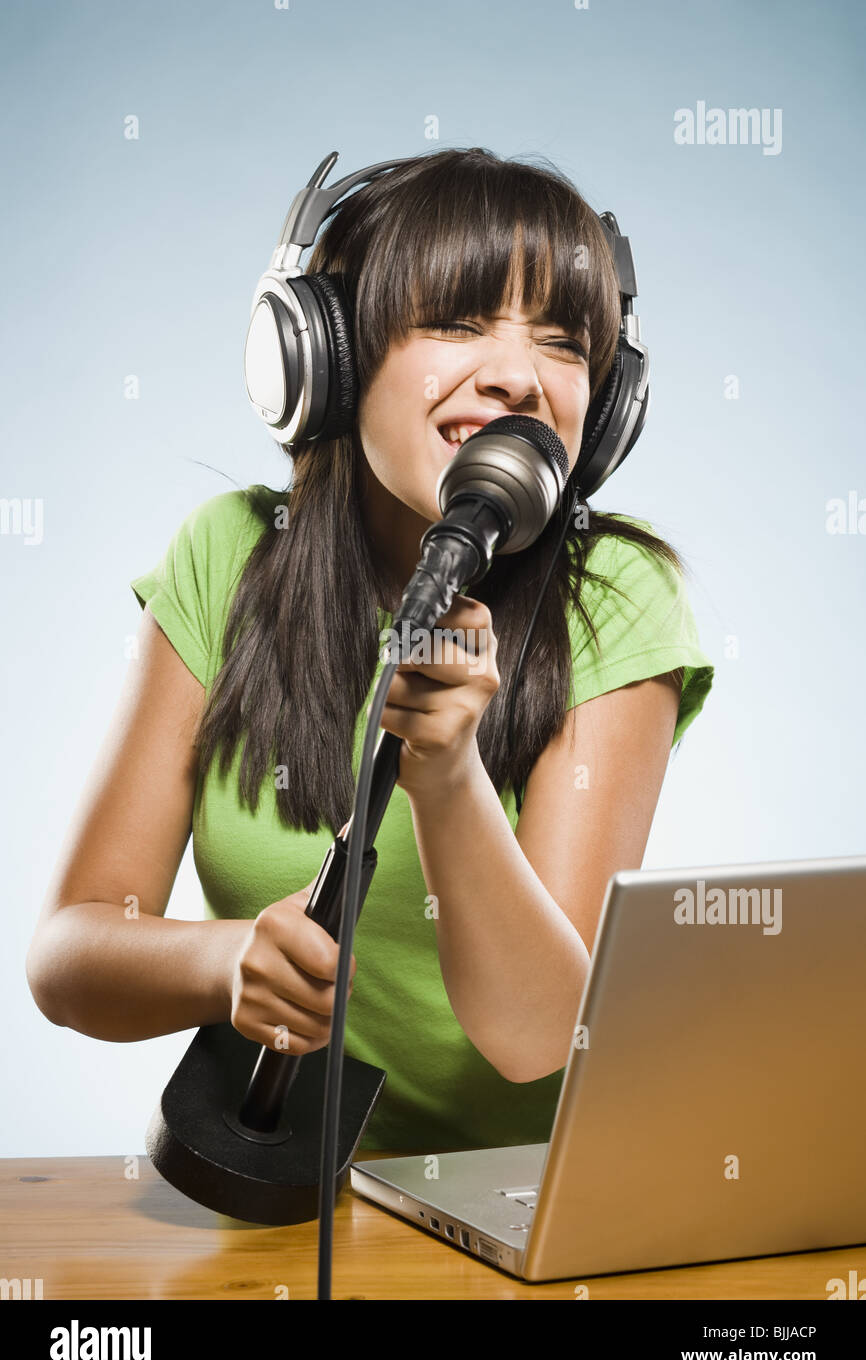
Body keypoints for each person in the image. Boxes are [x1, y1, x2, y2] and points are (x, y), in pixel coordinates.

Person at [26, 147, 714, 1154]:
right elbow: (70, 955)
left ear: (603, 406)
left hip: (515, 1216)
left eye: (564, 343)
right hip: (278, 1211)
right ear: (323, 358)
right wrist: (227, 964)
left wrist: (444, 777)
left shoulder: (613, 595)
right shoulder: (227, 555)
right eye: (454, 319)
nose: (517, 374)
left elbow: (537, 1037)